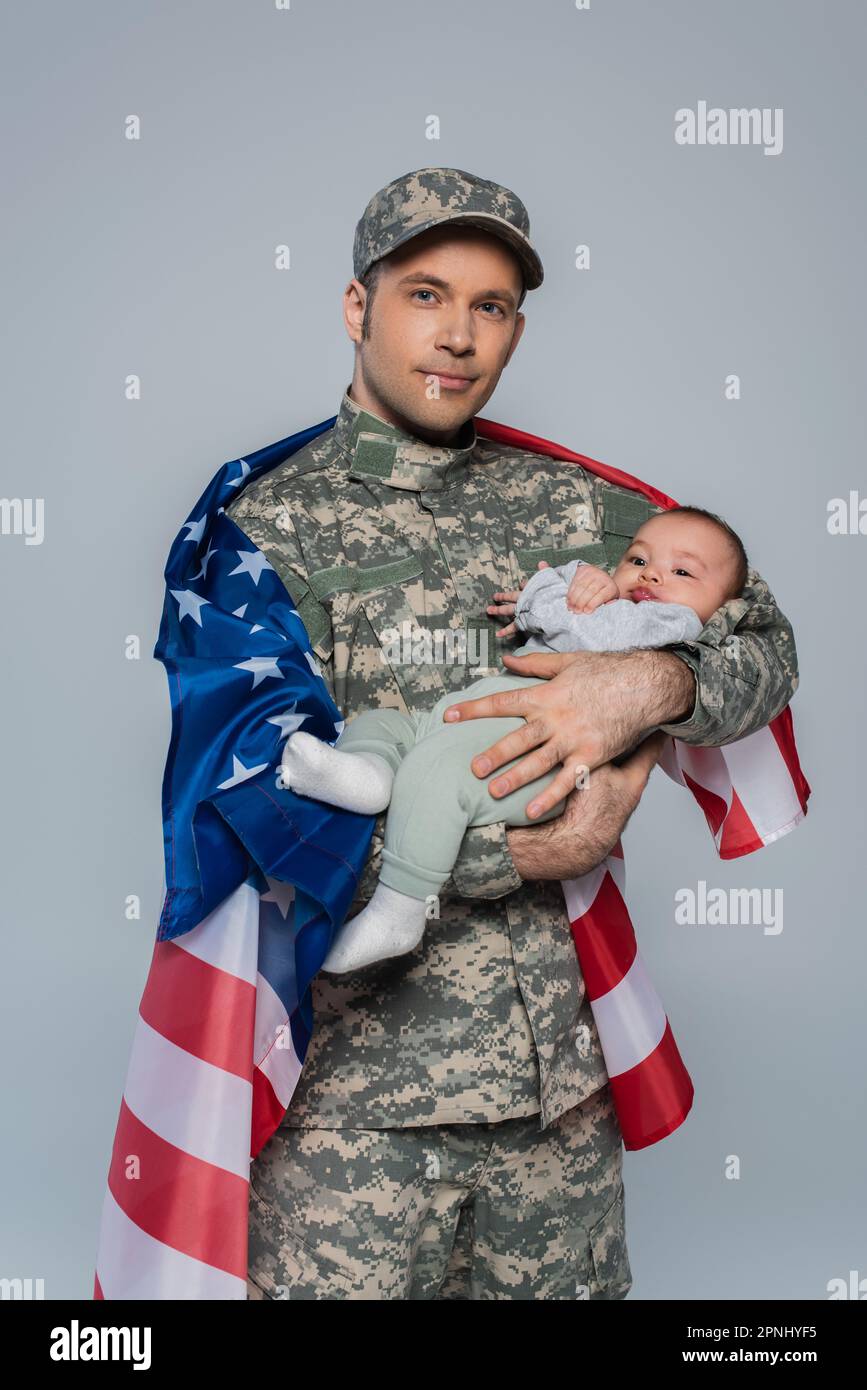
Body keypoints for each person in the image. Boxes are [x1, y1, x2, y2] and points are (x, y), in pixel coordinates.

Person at [225, 166, 799, 1300]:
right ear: (357, 307)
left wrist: (645, 688)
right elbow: (251, 801)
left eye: (491, 307)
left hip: (555, 1106)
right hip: (353, 1115)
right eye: (426, 294)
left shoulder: (581, 507)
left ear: (518, 328)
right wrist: (536, 846)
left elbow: (765, 646)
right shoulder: (259, 528)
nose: (459, 335)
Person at [280, 505, 749, 974]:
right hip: (465, 718)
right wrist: (578, 577)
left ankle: (399, 911)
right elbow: (532, 601)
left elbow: (563, 617)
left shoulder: (675, 627)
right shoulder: (615, 601)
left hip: (538, 754)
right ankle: (371, 777)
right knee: (382, 724)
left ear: (720, 609)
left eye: (682, 571)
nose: (651, 577)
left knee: (439, 774)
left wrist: (575, 588)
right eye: (638, 561)